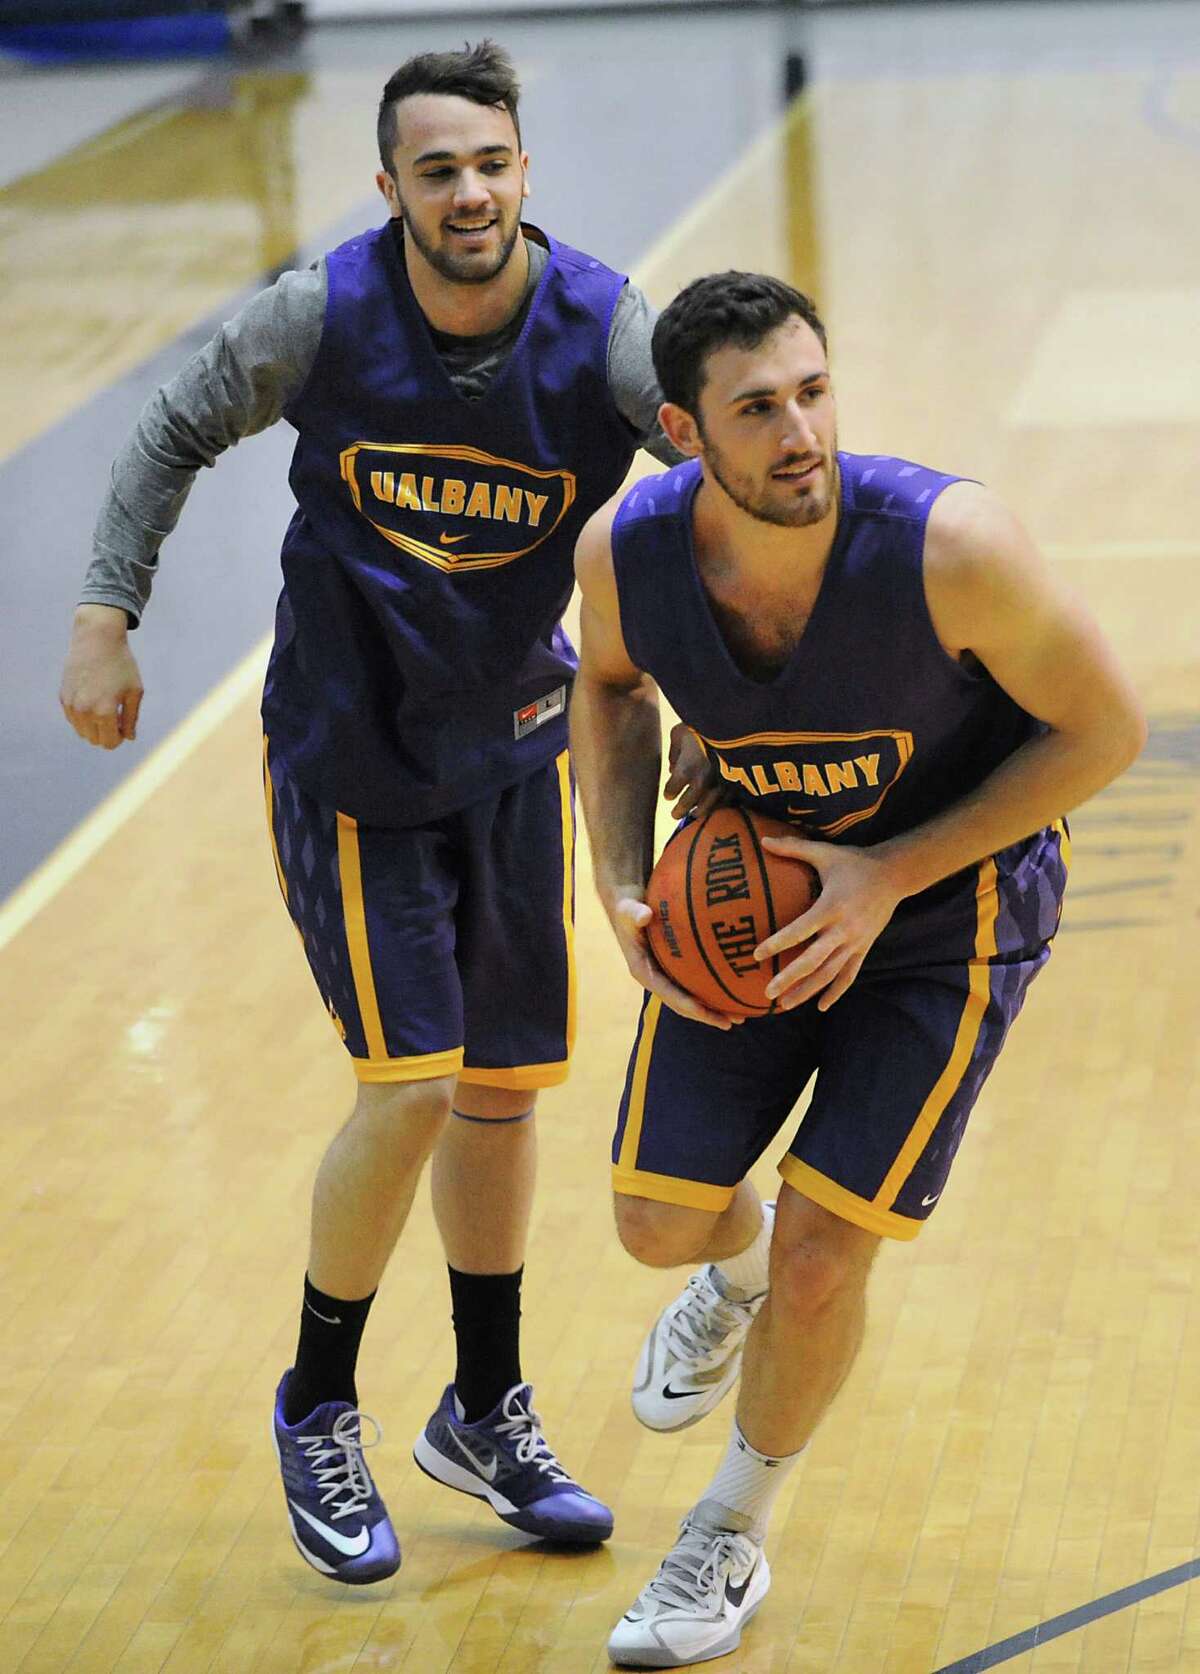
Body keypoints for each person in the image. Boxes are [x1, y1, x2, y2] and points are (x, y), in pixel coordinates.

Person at [59, 41, 685, 1586]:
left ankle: (483, 1403)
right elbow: (169, 427)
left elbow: (714, 471)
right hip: (351, 754)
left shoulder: (609, 327)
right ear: (391, 184)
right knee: (409, 1084)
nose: (467, 190)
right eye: (436, 169)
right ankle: (317, 1403)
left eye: (491, 162)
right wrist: (103, 610)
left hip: (513, 743)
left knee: (501, 1090)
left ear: (525, 168)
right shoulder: (321, 312)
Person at [571, 271, 1146, 1667]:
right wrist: (622, 880)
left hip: (948, 906)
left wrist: (889, 873)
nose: (801, 433)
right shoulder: (628, 557)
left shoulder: (953, 547)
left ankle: (730, 1528)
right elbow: (606, 687)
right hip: (761, 894)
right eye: (758, 408)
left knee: (834, 1246)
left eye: (815, 392)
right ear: (684, 429)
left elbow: (1106, 729)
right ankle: (734, 1276)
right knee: (655, 1219)